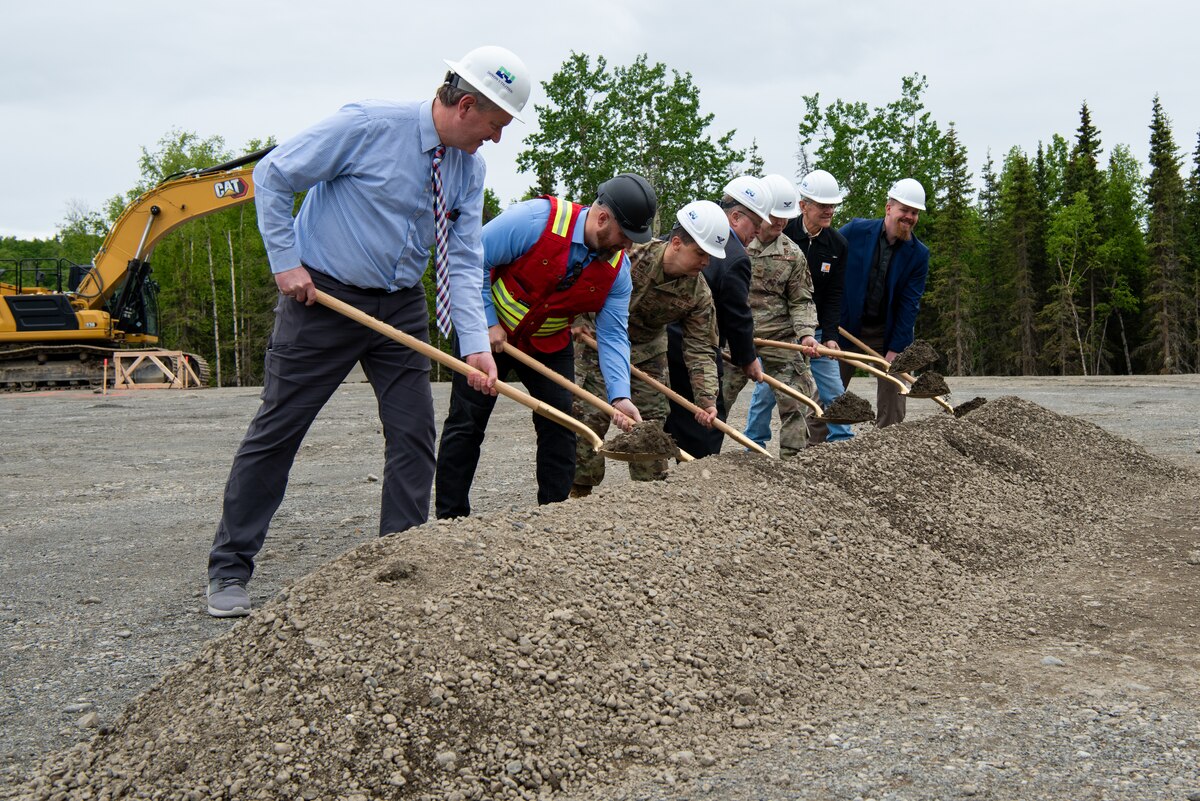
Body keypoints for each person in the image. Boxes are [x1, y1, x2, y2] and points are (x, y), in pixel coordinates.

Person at [205, 46, 532, 618]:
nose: (497, 139)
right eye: (495, 124)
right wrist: (286, 262)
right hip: (323, 299)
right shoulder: (368, 126)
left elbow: (462, 254)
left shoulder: (468, 168)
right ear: (465, 105)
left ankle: (398, 562)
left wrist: (476, 346)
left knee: (413, 434)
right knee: (279, 431)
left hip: (401, 307)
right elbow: (273, 175)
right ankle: (230, 568)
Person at [434, 174, 656, 518]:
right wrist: (488, 323)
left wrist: (620, 396)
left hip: (547, 344)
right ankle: (450, 519)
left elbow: (612, 335)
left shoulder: (618, 271)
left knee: (560, 426)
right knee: (466, 423)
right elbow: (470, 261)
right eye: (624, 236)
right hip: (486, 334)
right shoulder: (533, 220)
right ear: (602, 219)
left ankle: (554, 518)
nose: (625, 247)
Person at [571, 200, 729, 494]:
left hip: (648, 352)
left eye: (711, 256)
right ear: (677, 243)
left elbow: (702, 348)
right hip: (598, 343)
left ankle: (652, 498)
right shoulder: (631, 252)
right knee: (587, 420)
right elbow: (580, 273)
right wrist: (578, 317)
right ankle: (578, 496)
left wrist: (707, 399)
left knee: (651, 428)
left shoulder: (698, 293)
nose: (706, 262)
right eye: (701, 253)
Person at [744, 169, 852, 446]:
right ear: (803, 206)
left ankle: (843, 443)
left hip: (807, 330)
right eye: (822, 205)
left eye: (832, 205)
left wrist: (827, 335)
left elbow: (828, 296)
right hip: (765, 331)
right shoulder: (782, 230)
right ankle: (753, 446)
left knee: (823, 392)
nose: (829, 211)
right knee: (765, 393)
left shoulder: (836, 244)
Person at [662, 176, 768, 458]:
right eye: (755, 225)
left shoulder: (685, 230)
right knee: (705, 427)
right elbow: (737, 316)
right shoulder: (734, 257)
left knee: (667, 417)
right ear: (735, 216)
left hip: (663, 344)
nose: (757, 233)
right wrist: (748, 359)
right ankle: (699, 479)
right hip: (692, 346)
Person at [723, 174, 819, 459]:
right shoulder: (733, 245)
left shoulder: (792, 254)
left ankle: (794, 460)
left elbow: (801, 299)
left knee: (797, 399)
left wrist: (807, 334)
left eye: (786, 219)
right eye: (775, 216)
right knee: (715, 398)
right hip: (736, 337)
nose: (780, 224)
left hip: (780, 337)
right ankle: (701, 457)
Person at [838, 178, 930, 427]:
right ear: (889, 208)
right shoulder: (855, 231)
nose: (909, 217)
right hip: (844, 327)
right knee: (829, 390)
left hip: (885, 332)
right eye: (904, 210)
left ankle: (890, 445)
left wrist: (897, 348)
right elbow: (828, 257)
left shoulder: (919, 255)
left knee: (896, 388)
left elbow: (909, 304)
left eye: (914, 212)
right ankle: (815, 449)